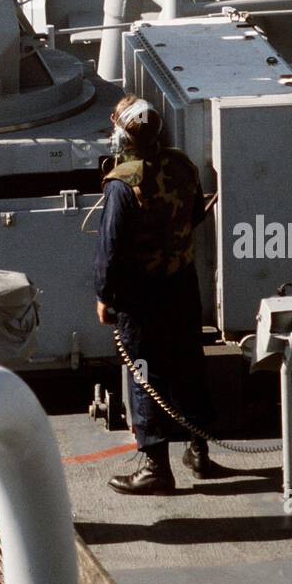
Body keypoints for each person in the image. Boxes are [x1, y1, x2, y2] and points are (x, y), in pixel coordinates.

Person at [94, 95, 214, 494]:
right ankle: (199, 451)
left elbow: (110, 249)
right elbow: (196, 213)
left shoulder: (122, 184)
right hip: (181, 282)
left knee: (143, 373)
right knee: (189, 365)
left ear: (124, 136)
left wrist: (105, 296)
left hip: (141, 294)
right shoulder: (181, 164)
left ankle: (155, 466)